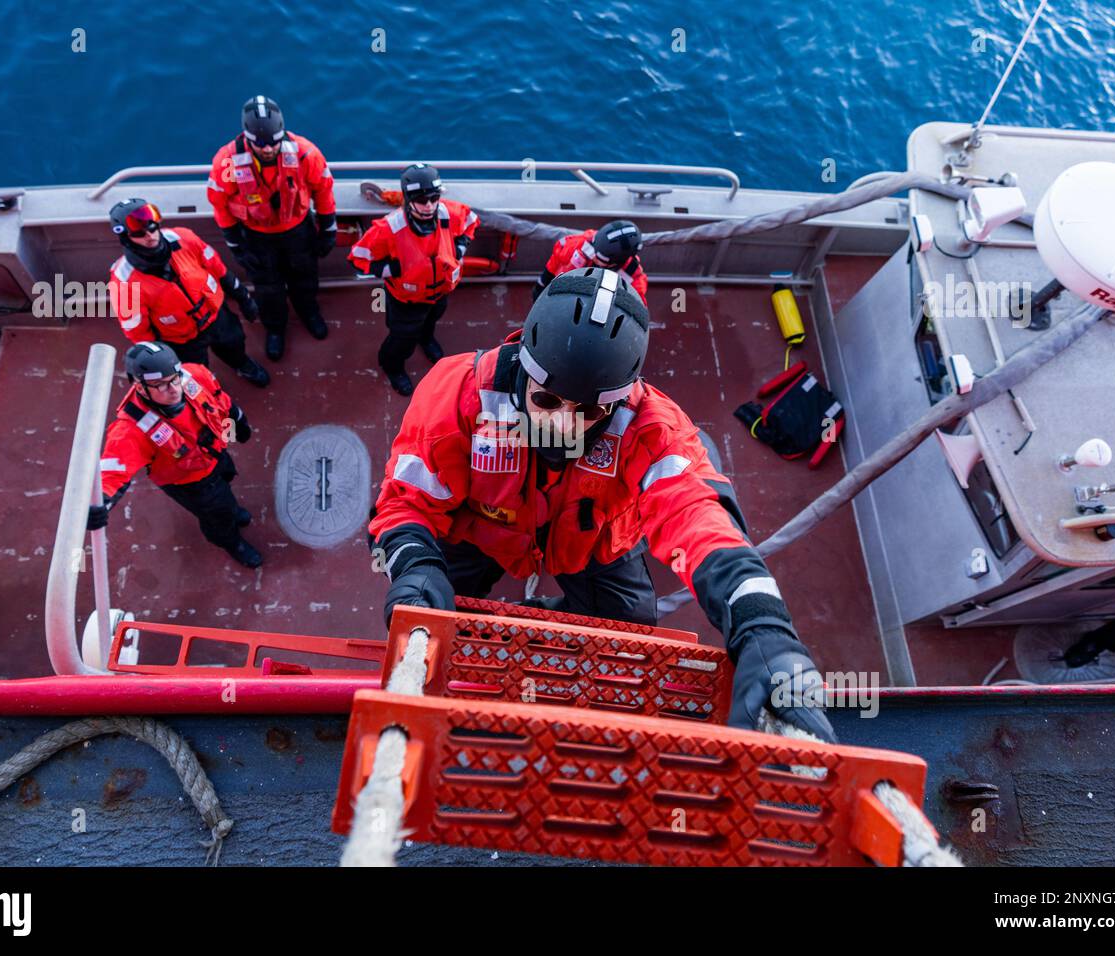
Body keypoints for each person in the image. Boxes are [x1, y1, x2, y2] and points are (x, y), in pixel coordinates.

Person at [367, 267, 833, 740]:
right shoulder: (459, 394)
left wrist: (763, 625)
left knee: (629, 637)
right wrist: (413, 567)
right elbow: (405, 505)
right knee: (433, 602)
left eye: (589, 412)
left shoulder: (652, 426)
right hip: (482, 531)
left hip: (594, 545)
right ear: (522, 366)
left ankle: (557, 613)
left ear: (618, 399)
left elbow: (696, 511)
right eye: (547, 401)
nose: (564, 428)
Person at [88, 343, 262, 568]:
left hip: (217, 456)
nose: (173, 389)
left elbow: (220, 399)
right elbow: (112, 473)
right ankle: (231, 542)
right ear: (141, 388)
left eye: (174, 379)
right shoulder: (131, 430)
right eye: (160, 385)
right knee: (217, 517)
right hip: (191, 484)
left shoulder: (195, 374)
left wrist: (238, 420)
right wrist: (98, 505)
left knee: (226, 486)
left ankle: (232, 510)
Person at [208, 95, 337, 361]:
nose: (268, 149)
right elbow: (220, 205)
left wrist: (328, 229)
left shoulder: (304, 154)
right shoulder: (227, 163)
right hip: (257, 236)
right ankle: (275, 329)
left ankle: (309, 312)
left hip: (298, 231)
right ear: (247, 137)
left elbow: (323, 191)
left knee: (305, 277)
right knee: (268, 288)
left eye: (274, 142)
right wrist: (235, 244)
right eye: (260, 143)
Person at [348, 163, 480, 397]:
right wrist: (391, 269)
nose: (429, 205)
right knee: (401, 338)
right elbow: (358, 258)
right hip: (405, 300)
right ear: (408, 199)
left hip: (439, 293)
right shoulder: (389, 229)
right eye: (421, 200)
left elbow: (470, 221)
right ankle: (392, 366)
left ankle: (426, 338)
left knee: (431, 321)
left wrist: (460, 246)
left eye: (433, 198)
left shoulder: (450, 213)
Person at [107, 199, 269, 388]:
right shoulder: (123, 282)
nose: (150, 235)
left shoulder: (184, 238)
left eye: (152, 228)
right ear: (125, 238)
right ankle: (208, 389)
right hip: (180, 339)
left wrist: (243, 297)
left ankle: (242, 364)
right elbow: (137, 331)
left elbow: (217, 268)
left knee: (234, 343)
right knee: (196, 373)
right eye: (139, 233)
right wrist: (159, 355)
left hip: (217, 317)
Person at [531, 220, 648, 304]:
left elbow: (637, 305)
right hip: (564, 296)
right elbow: (557, 256)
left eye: (601, 258)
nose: (594, 256)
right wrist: (542, 283)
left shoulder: (633, 276)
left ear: (616, 262)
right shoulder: (578, 245)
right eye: (594, 250)